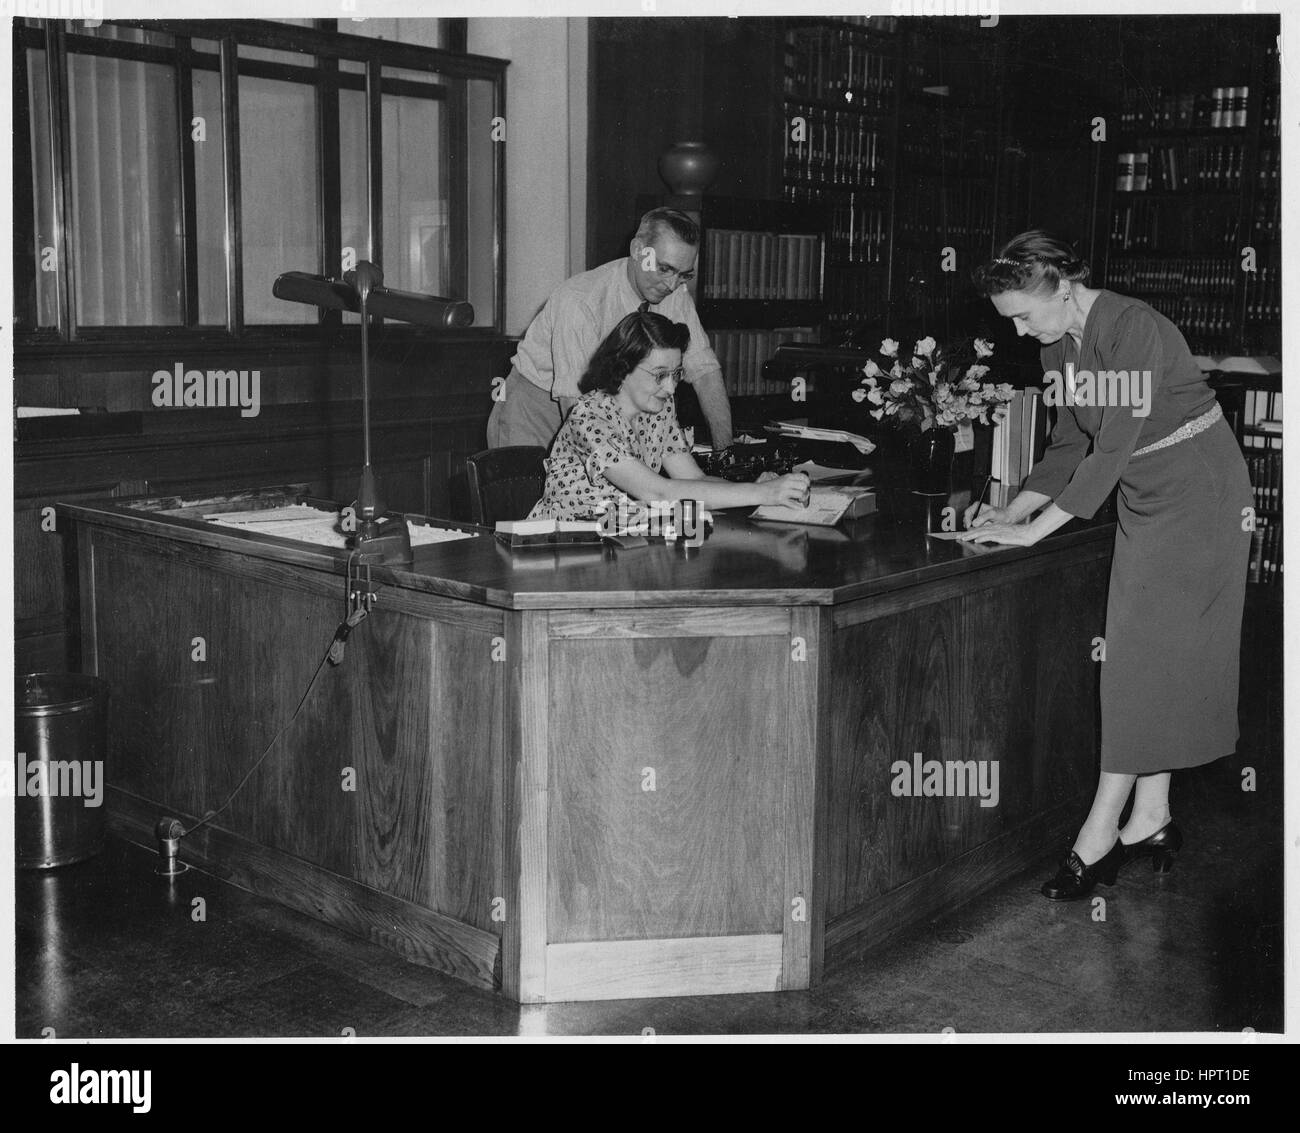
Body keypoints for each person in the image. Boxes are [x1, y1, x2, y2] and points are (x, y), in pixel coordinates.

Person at [960, 230, 1252, 901]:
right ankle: (1151, 815)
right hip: (1147, 493)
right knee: (1149, 655)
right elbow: (1070, 441)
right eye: (1011, 320)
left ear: (1063, 287)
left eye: (1026, 314)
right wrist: (1013, 509)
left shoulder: (1134, 329)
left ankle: (1097, 835)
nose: (1022, 331)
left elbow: (1112, 446)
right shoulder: (1062, 342)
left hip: (1199, 492)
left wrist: (1035, 532)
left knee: (1135, 654)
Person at [486, 207, 734, 452]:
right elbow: (575, 400)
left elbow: (704, 372)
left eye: (683, 275)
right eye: (664, 268)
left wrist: (725, 452)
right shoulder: (580, 300)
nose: (671, 284)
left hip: (602, 411)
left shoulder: (674, 294)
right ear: (638, 250)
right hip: (535, 411)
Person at [528, 310, 807, 522]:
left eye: (675, 374)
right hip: (568, 547)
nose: (671, 387)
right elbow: (656, 492)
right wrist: (763, 494)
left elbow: (693, 480)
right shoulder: (588, 418)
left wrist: (756, 488)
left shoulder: (656, 408)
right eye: (660, 375)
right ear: (623, 369)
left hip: (626, 538)